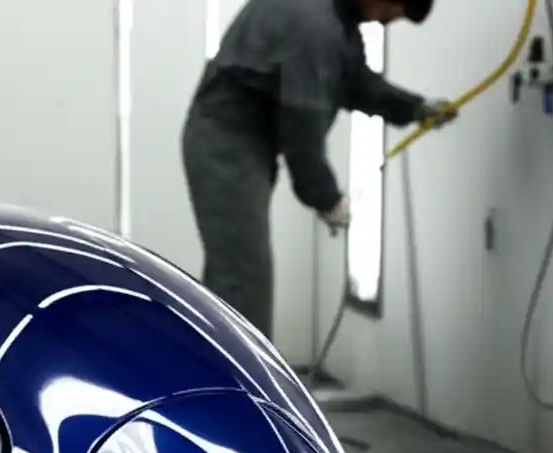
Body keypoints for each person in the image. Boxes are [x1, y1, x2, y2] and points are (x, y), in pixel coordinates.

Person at [182, 0, 457, 339]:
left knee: (234, 272)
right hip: (225, 141)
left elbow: (355, 82)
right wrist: (327, 198)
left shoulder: (335, 17)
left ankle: (220, 376)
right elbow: (302, 128)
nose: (386, 23)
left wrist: (415, 108)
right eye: (392, 12)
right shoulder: (314, 25)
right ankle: (239, 388)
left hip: (245, 141)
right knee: (244, 276)